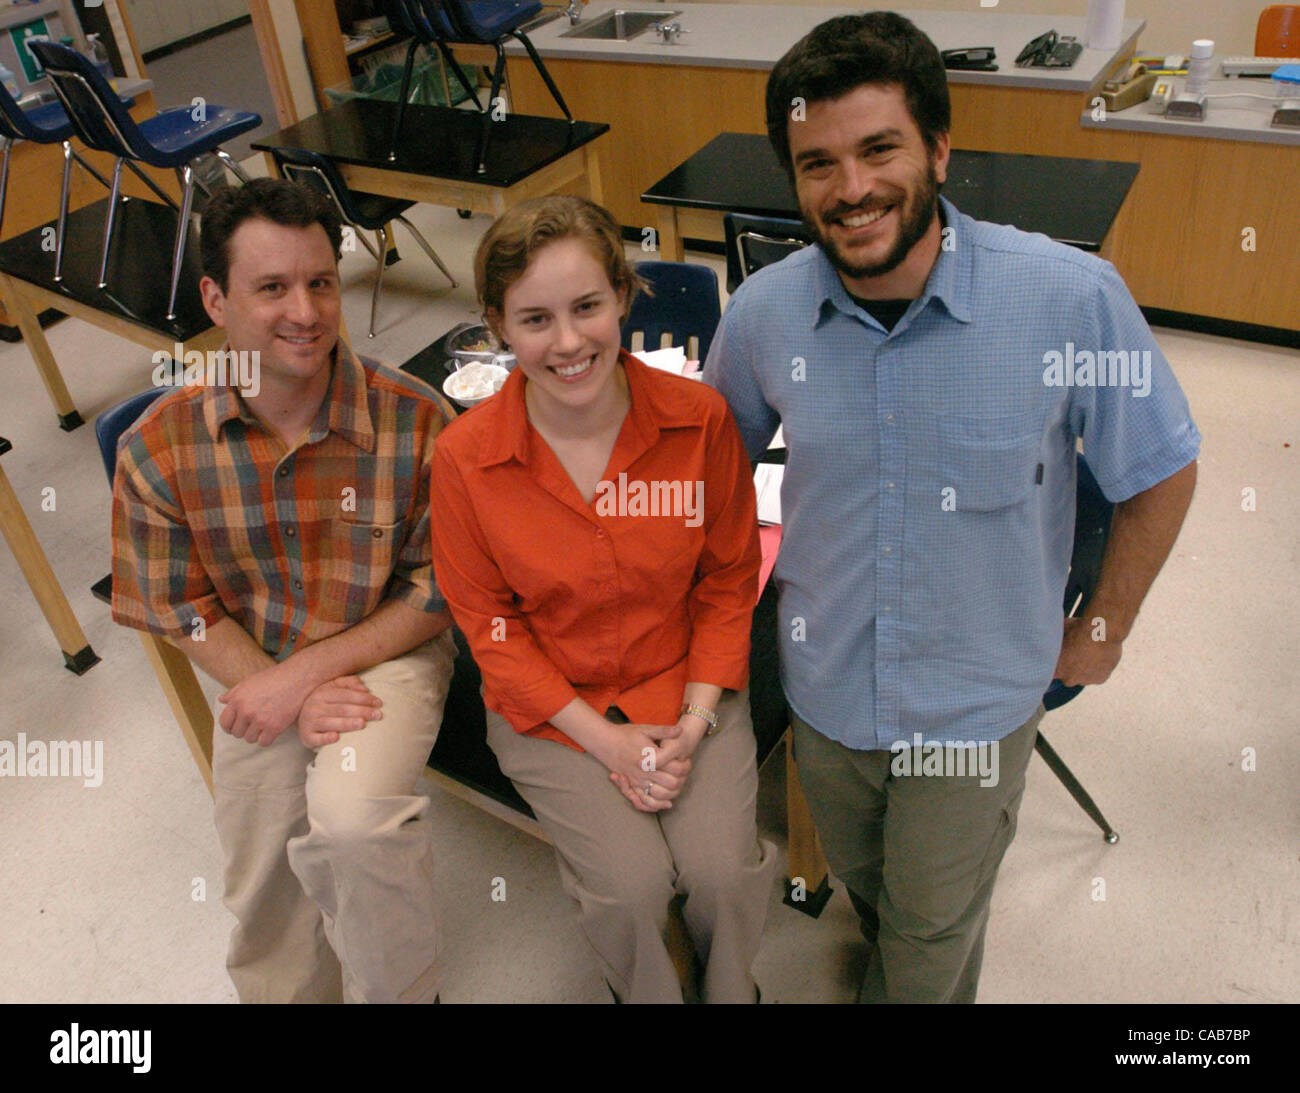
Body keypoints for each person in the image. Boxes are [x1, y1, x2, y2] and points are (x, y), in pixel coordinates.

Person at [705, 12, 1200, 1003]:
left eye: (878, 149)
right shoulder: (763, 314)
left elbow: (1159, 469)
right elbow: (710, 468)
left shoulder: (1070, 300)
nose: (849, 190)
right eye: (816, 163)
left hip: (973, 711)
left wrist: (1099, 630)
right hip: (830, 695)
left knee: (928, 936)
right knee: (877, 894)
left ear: (937, 146)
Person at [111, 178, 456, 1003]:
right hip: (254, 656)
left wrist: (302, 678)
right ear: (215, 298)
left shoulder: (416, 417)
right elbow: (182, 605)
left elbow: (435, 588)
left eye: (321, 282)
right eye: (271, 288)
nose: (305, 310)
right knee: (260, 858)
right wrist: (282, 689)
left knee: (353, 823)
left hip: (386, 640)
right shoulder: (156, 447)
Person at [430, 195, 777, 1003]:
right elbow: (492, 630)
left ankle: (732, 994)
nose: (570, 341)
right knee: (630, 887)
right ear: (498, 327)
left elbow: (728, 579)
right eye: (535, 319)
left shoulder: (699, 421)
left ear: (623, 296)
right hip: (556, 704)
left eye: (587, 306)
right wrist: (609, 746)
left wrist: (694, 721)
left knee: (723, 872)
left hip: (687, 680)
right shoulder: (464, 458)